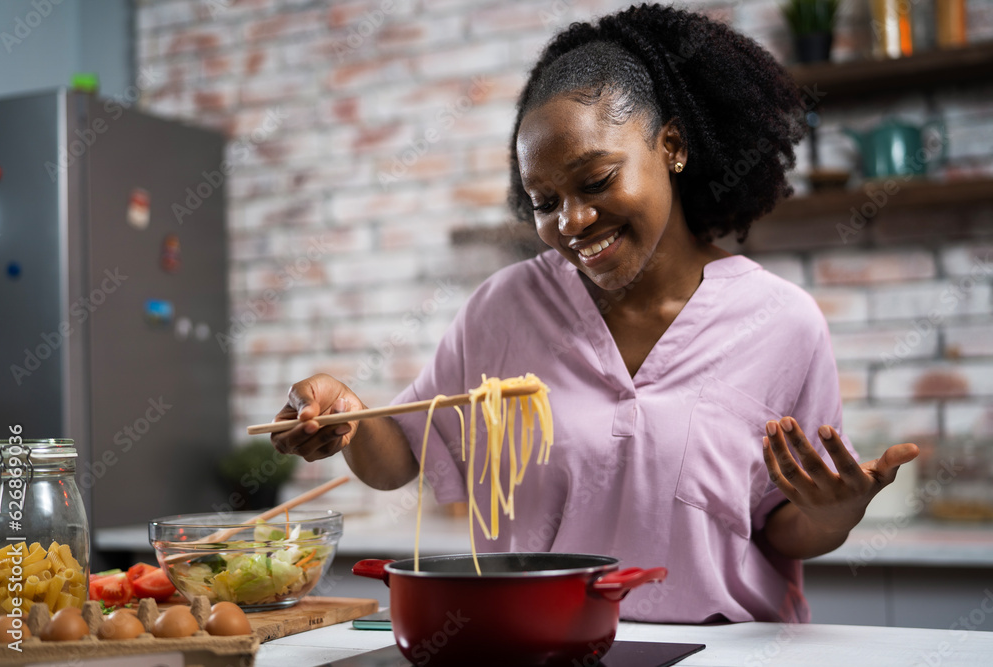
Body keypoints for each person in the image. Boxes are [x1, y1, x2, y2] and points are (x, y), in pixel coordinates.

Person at [271, 4, 918, 623]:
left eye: (597, 180)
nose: (571, 222)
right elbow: (401, 454)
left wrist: (838, 514)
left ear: (671, 146)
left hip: (719, 647)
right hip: (532, 641)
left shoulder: (782, 323)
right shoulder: (505, 308)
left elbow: (785, 521)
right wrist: (348, 415)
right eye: (544, 200)